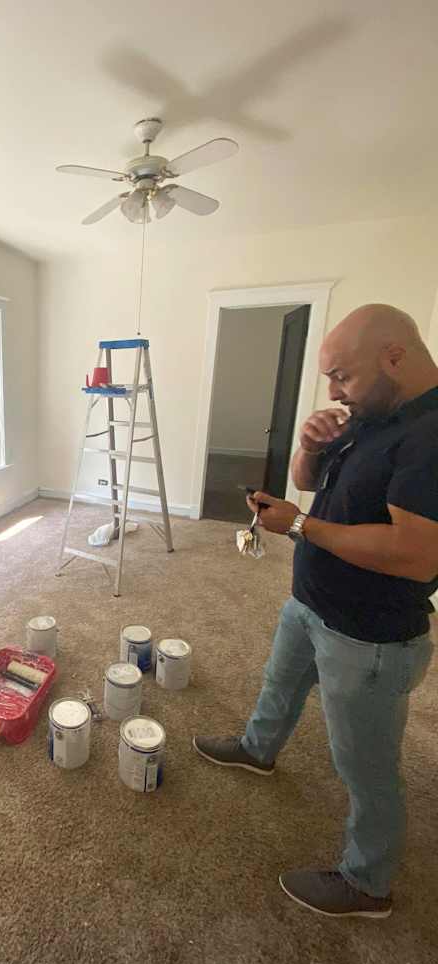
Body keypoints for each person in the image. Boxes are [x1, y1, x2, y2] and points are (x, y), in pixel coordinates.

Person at [194, 304, 438, 919]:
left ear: (394, 358)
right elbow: (308, 481)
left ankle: (368, 884)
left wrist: (301, 526)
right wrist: (307, 446)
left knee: (366, 768)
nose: (333, 392)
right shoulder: (371, 414)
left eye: (342, 376)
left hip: (368, 635)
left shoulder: (429, 435)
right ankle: (257, 750)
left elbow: (416, 556)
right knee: (279, 686)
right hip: (312, 601)